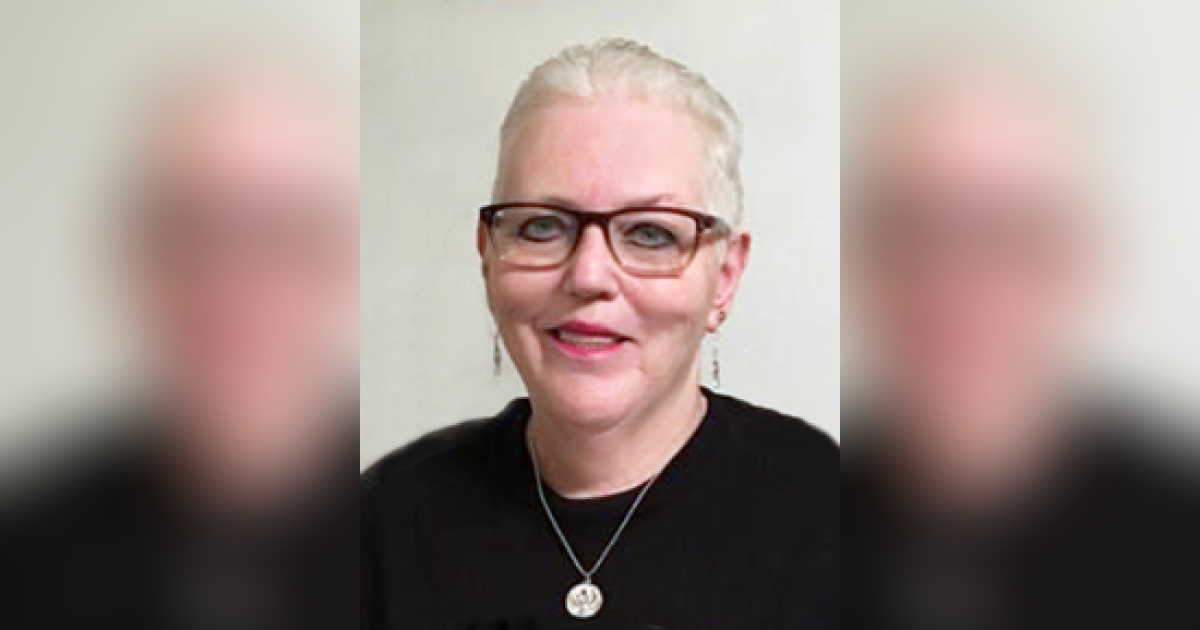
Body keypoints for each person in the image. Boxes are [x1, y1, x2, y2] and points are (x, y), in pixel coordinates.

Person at [361, 38, 839, 629]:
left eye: (650, 233)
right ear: (488, 255)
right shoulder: (381, 523)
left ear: (725, 277)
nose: (588, 276)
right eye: (542, 226)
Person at [0, 60, 359, 630]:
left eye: (276, 228)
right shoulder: (28, 551)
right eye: (186, 227)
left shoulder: (400, 525)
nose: (227, 276)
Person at [843, 63, 1200, 629]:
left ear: (1079, 259)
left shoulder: (1178, 540)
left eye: (1004, 228)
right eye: (911, 224)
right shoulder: (800, 512)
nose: (951, 274)